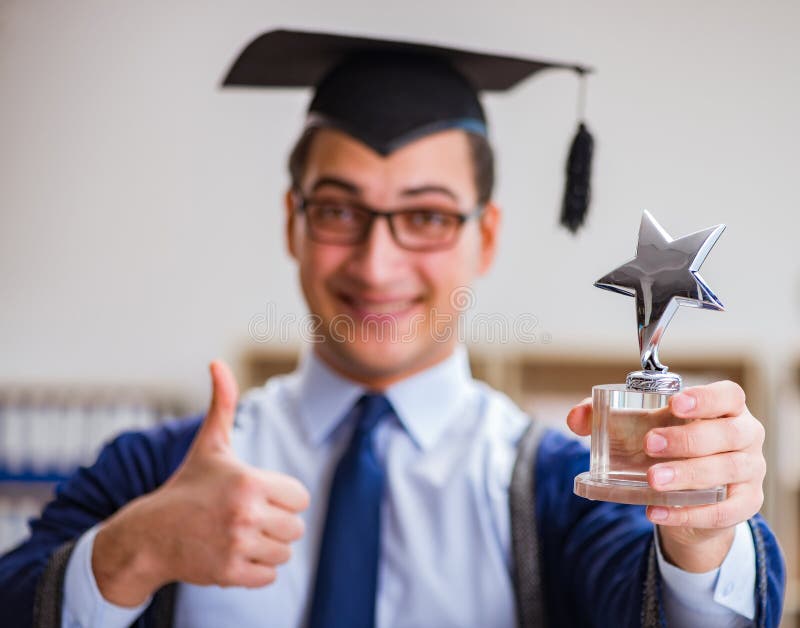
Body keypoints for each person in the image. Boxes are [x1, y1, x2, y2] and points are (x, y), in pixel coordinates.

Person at [0, 29, 785, 627]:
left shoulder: (559, 487)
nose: (377, 265)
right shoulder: (163, 471)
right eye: (340, 210)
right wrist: (134, 550)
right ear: (293, 222)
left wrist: (700, 534)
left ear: (485, 235)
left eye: (426, 217)